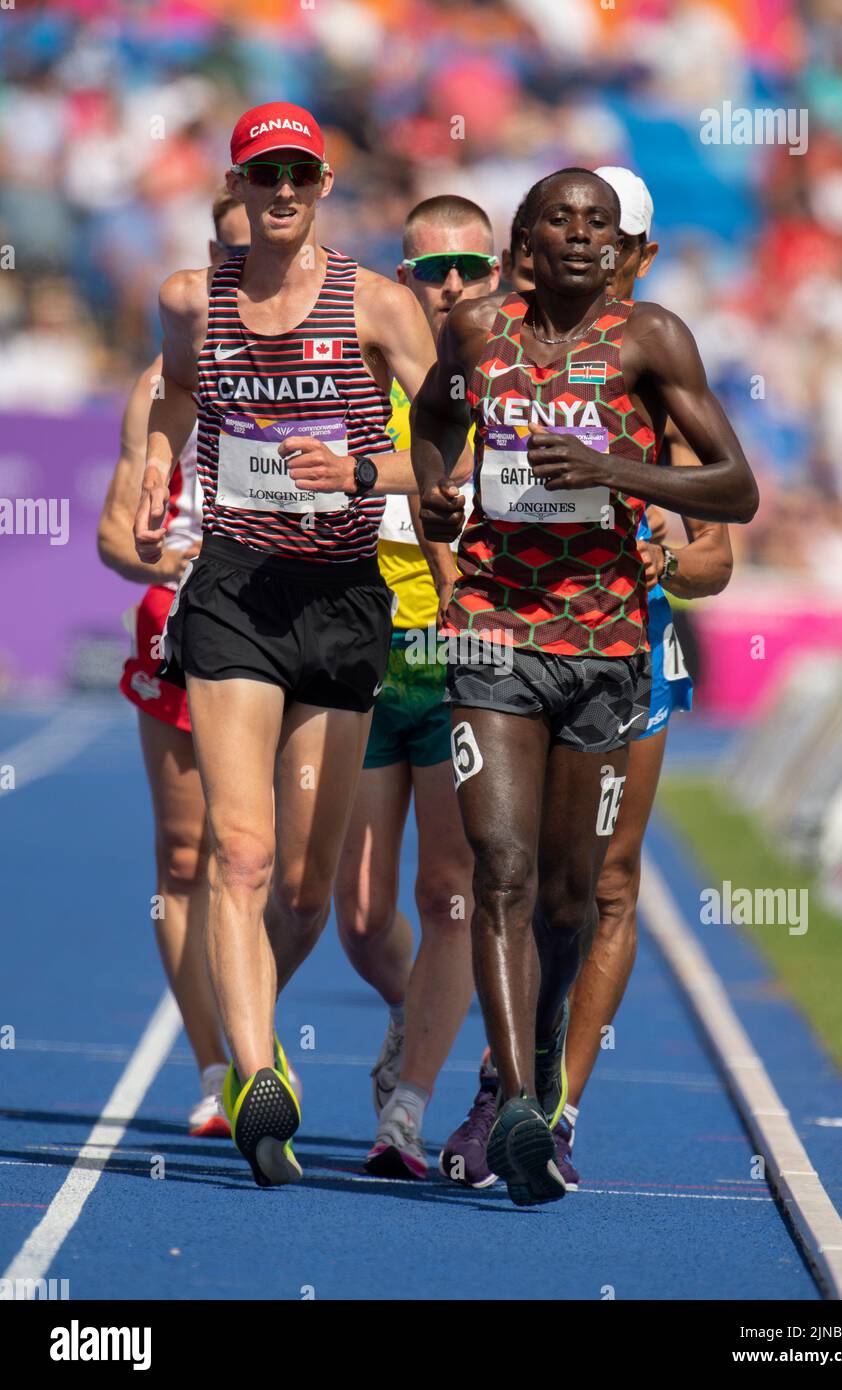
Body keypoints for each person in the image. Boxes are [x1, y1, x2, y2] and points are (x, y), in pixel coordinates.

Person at [413, 166, 757, 1206]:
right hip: (490, 633)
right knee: (501, 870)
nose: (576, 236)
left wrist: (619, 473)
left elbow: (732, 486)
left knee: (571, 895)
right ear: (522, 238)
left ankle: (545, 1057)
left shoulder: (650, 338)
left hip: (604, 648)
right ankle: (517, 1106)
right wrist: (436, 492)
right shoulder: (474, 331)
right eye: (556, 220)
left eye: (595, 224)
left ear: (616, 245)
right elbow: (433, 416)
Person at [133, 102, 438, 1188]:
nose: (281, 193)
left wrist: (361, 473)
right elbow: (172, 396)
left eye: (299, 176)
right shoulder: (188, 301)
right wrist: (152, 470)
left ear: (322, 183)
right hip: (234, 593)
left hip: (344, 598)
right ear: (238, 182)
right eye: (263, 176)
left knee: (306, 887)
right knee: (238, 851)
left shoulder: (381, 306)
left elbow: (458, 450)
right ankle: (254, 1079)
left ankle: (260, 1012)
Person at [333, 197, 496, 1179]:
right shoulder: (363, 370)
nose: (446, 286)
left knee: (447, 890)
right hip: (362, 645)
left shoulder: (505, 375)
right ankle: (412, 1012)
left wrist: (366, 472)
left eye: (466, 268)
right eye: (428, 270)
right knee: (353, 910)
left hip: (459, 653)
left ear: (491, 275)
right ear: (400, 277)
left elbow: (469, 460)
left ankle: (409, 1106)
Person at [98, 191, 249, 1137]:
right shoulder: (161, 383)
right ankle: (216, 1067)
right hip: (179, 626)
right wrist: (176, 559)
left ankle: (274, 1032)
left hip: (285, 628)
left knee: (282, 870)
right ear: (205, 263)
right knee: (187, 856)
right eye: (227, 262)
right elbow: (117, 534)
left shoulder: (331, 367)